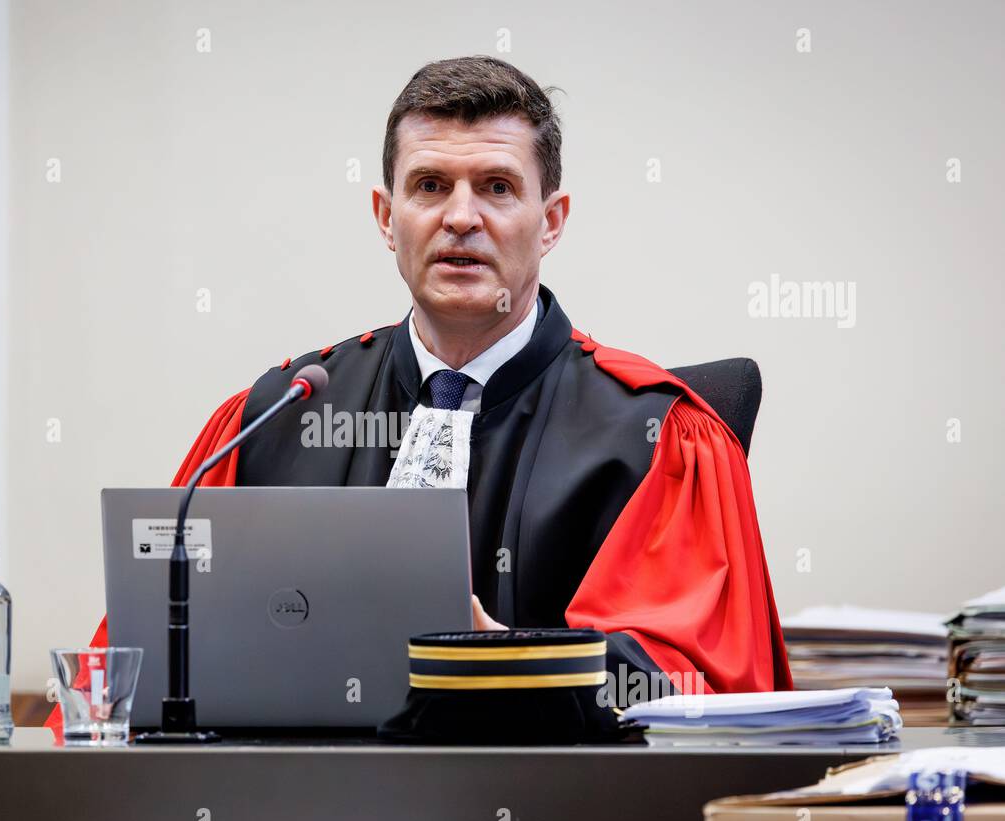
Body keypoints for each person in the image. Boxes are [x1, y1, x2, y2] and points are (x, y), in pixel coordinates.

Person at [48, 56, 790, 735]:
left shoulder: (659, 433)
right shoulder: (279, 416)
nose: (461, 217)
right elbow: (123, 681)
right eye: (430, 186)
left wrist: (512, 662)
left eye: (497, 188)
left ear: (551, 221)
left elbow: (697, 687)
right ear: (386, 216)